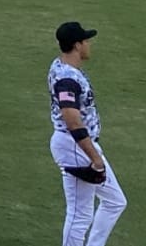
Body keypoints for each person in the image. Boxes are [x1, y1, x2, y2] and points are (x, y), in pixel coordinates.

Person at [48, 21, 126, 245]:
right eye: (86, 41)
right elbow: (72, 120)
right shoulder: (67, 79)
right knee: (79, 214)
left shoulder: (62, 67)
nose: (89, 44)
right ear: (77, 45)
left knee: (115, 201)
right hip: (74, 145)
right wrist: (94, 158)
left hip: (79, 144)